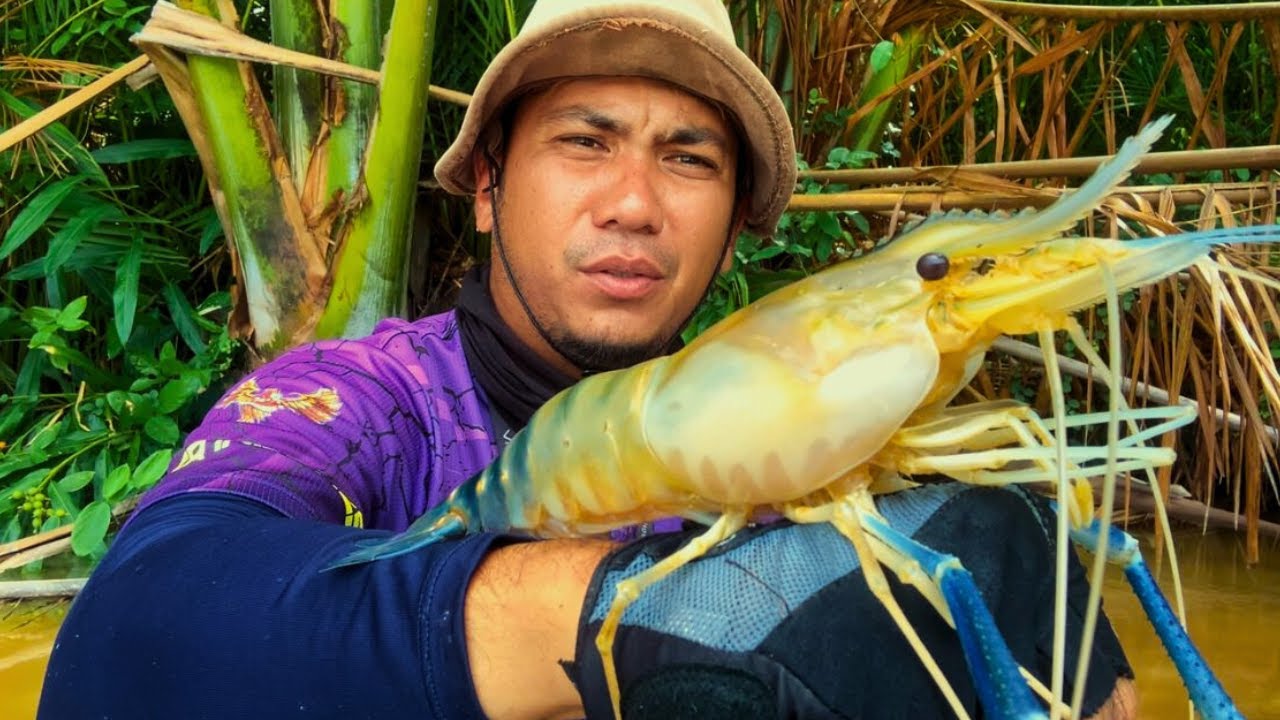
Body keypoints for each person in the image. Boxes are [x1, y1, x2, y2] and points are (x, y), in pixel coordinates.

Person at [38, 1, 1137, 718]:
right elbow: (131, 626)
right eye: (583, 140)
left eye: (687, 157)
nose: (632, 203)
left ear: (735, 222)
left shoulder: (835, 430)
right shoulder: (358, 404)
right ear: (482, 186)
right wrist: (637, 619)